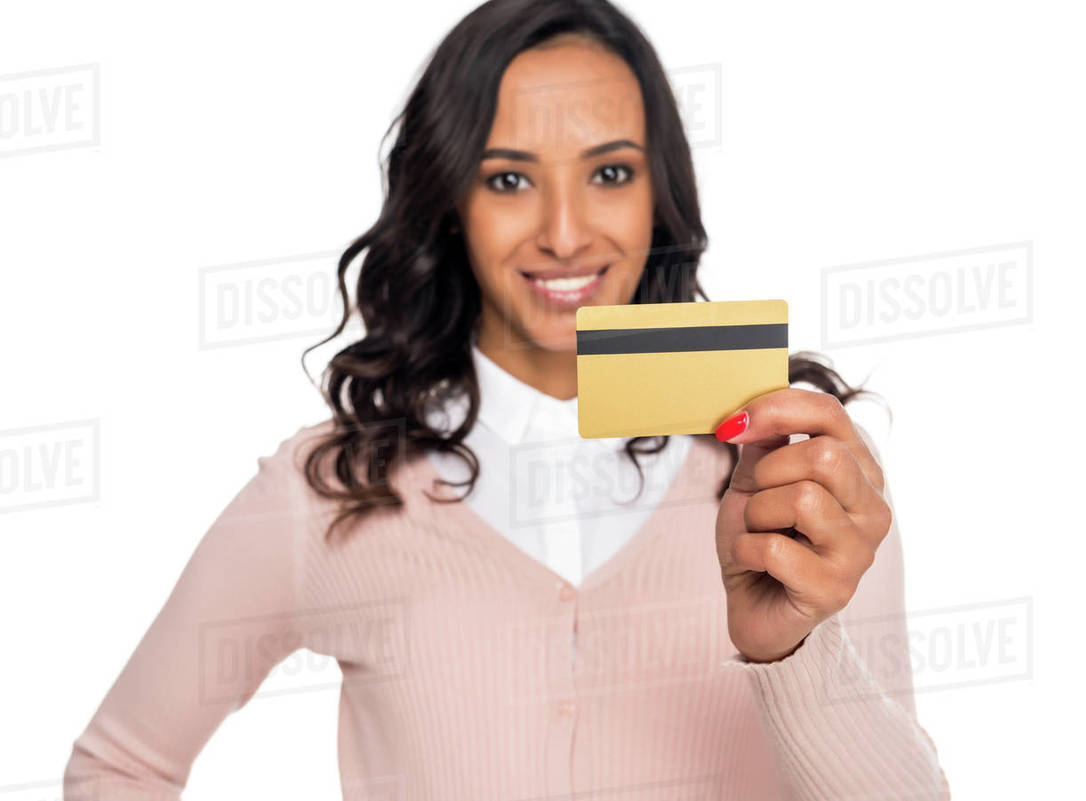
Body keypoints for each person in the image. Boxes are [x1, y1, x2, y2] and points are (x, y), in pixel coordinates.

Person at [63, 1, 950, 798]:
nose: (564, 234)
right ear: (451, 201)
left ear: (660, 193)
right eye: (509, 179)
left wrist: (791, 648)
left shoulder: (792, 469)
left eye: (608, 173)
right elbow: (120, 766)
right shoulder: (332, 488)